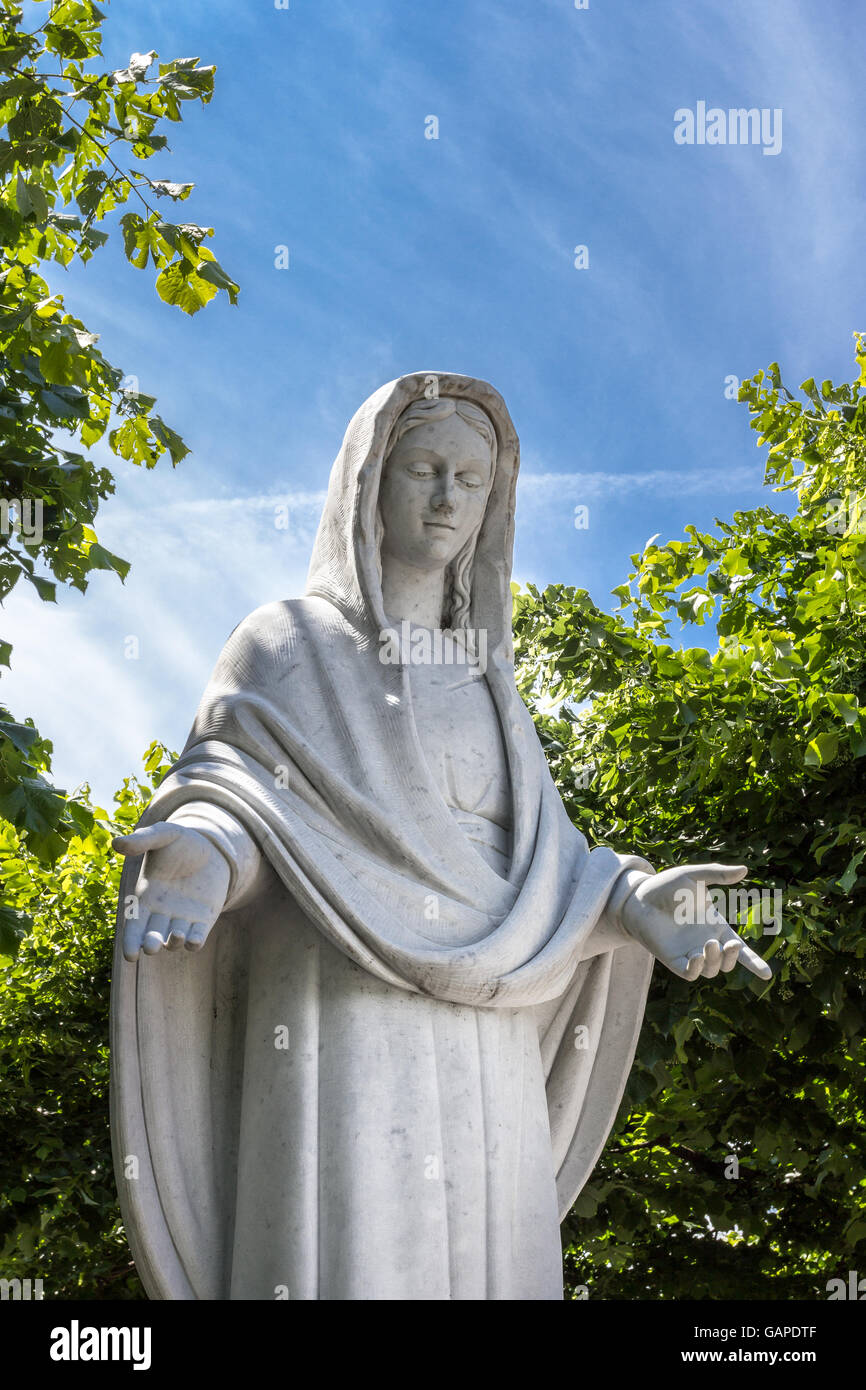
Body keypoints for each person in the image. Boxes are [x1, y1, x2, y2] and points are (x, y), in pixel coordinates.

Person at [110, 372, 770, 1300]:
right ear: (368, 484)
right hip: (341, 999)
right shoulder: (287, 643)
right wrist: (207, 856)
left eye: (472, 476)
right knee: (357, 1252)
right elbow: (239, 792)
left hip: (490, 1024)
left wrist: (633, 903)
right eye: (422, 467)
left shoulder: (490, 685)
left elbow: (544, 866)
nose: (448, 496)